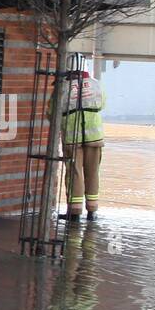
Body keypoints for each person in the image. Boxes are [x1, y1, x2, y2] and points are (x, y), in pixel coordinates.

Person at [61, 69, 106, 222]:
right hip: (94, 136)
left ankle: (75, 212)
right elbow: (102, 104)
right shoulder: (96, 84)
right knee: (92, 172)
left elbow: (52, 110)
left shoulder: (63, 87)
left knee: (75, 172)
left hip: (72, 136)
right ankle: (92, 212)